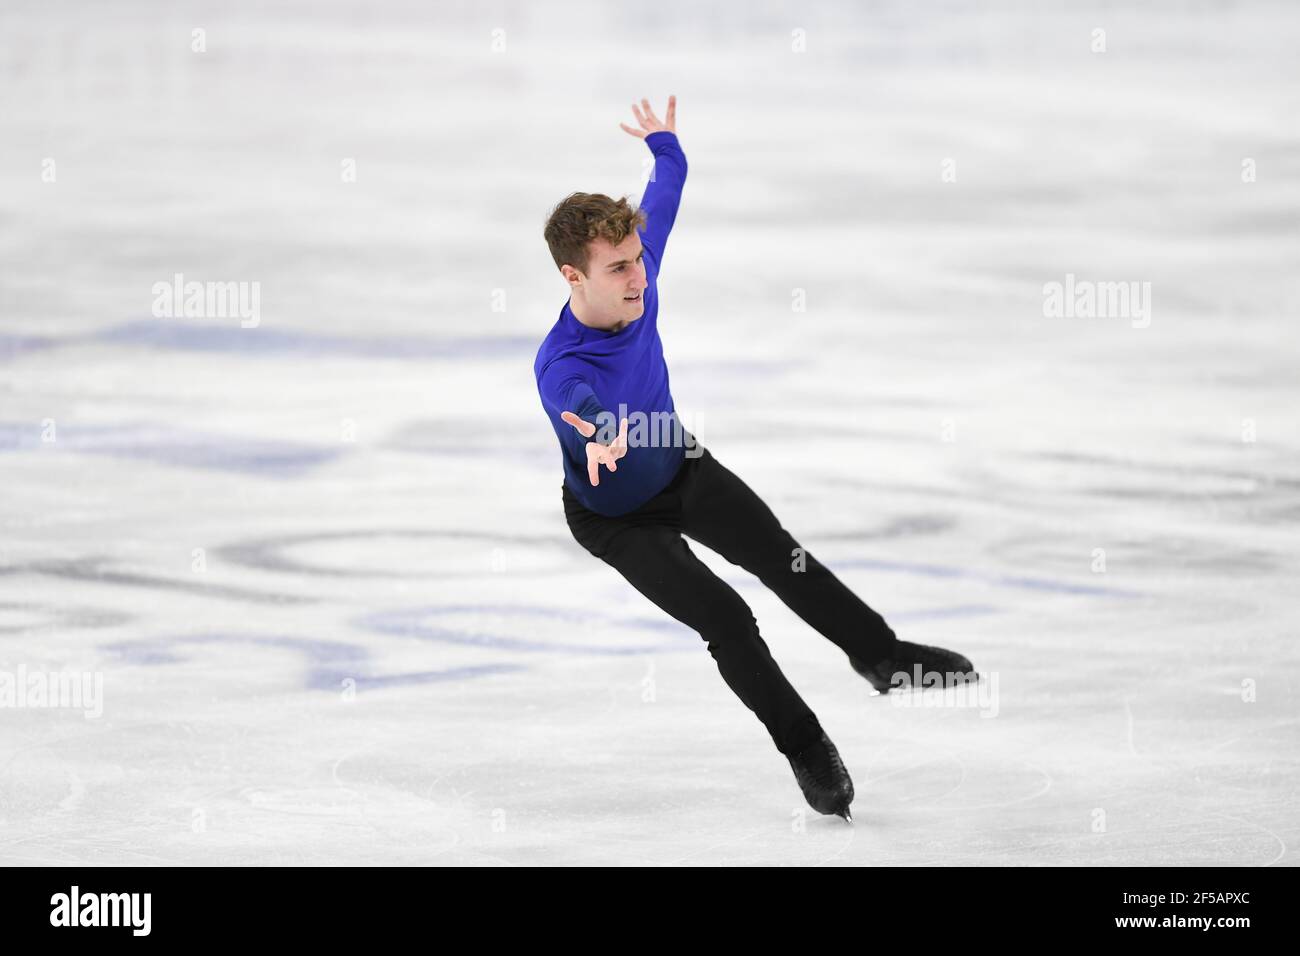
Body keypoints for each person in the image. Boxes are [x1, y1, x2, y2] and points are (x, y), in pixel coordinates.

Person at [533, 96, 977, 822]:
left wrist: (664, 143)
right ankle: (806, 748)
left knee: (781, 555)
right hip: (616, 519)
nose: (637, 278)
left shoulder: (641, 269)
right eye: (616, 268)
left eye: (638, 260)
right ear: (572, 277)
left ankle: (883, 656)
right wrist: (603, 431)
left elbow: (665, 193)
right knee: (729, 620)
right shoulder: (561, 362)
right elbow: (578, 401)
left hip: (680, 464)